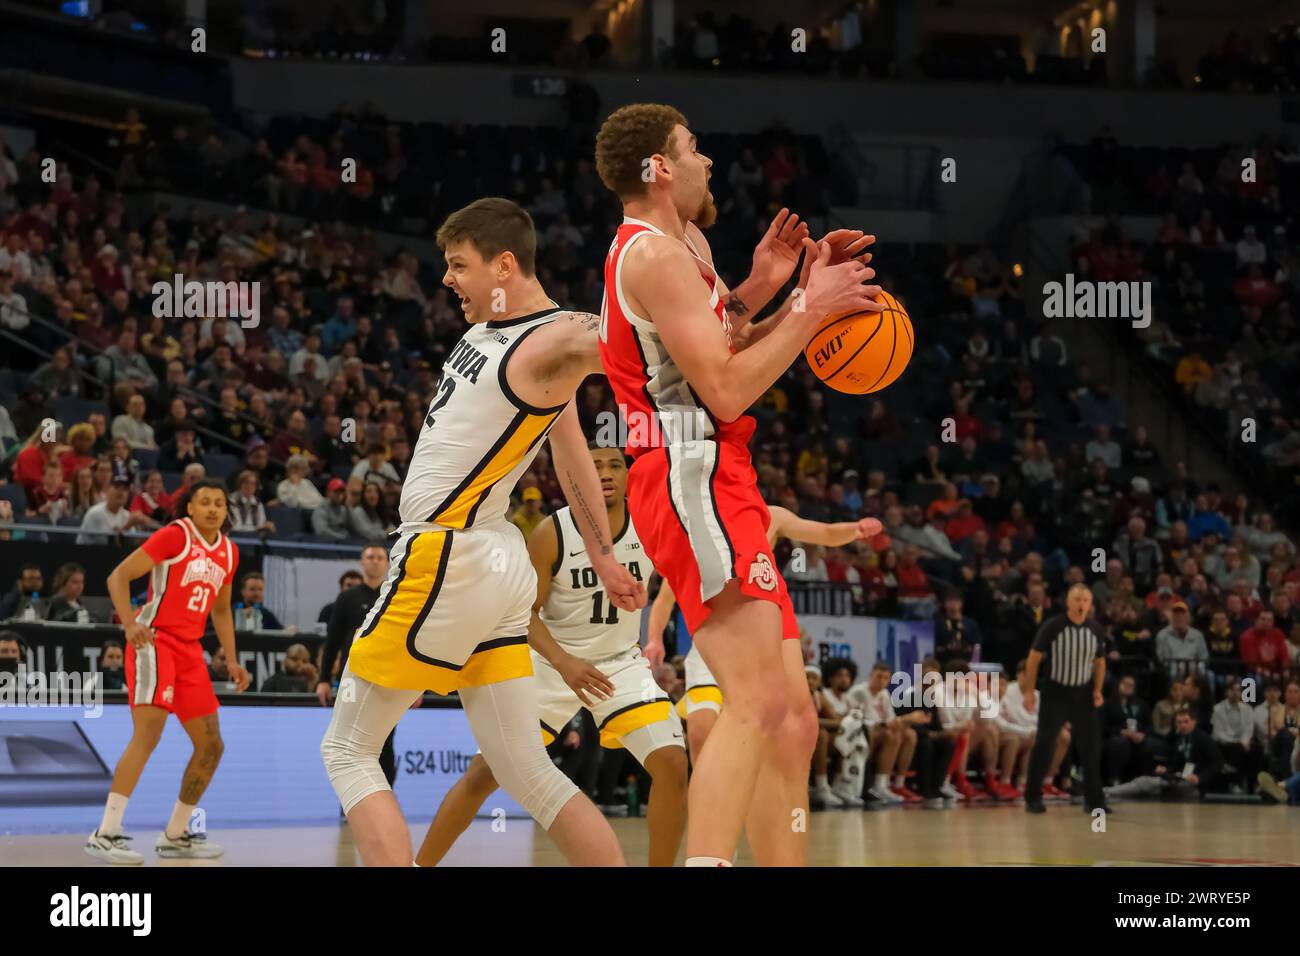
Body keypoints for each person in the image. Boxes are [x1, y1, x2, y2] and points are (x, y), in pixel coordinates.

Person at [319, 198, 644, 868]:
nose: (447, 279)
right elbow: (567, 449)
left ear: (504, 264)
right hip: (495, 560)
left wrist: (766, 303)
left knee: (347, 750)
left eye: (458, 265)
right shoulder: (494, 329)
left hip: (447, 552)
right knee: (525, 768)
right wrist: (605, 555)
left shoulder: (552, 339)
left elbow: (634, 333)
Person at [597, 101, 879, 866]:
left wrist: (769, 290)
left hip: (722, 476)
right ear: (658, 168)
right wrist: (811, 311)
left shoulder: (685, 242)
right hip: (691, 474)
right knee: (752, 703)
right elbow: (722, 390)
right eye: (691, 149)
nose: (708, 161)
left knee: (791, 718)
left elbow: (719, 343)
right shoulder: (650, 255)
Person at [417, 444, 687, 867]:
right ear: (576, 473)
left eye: (616, 464)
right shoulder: (552, 531)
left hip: (619, 665)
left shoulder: (651, 524)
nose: (606, 472)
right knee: (484, 774)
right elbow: (522, 614)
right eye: (594, 464)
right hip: (551, 664)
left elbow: (680, 579)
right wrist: (564, 662)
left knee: (672, 764)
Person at [86, 479, 249, 864]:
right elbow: (118, 576)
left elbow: (222, 610)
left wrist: (232, 658)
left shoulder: (229, 551)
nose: (212, 509)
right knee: (149, 734)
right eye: (204, 502)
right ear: (189, 508)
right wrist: (129, 624)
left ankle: (176, 834)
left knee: (212, 746)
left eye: (220, 504)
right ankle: (106, 832)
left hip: (191, 651)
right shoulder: (176, 535)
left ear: (227, 511)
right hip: (154, 641)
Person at [646, 505, 882, 769]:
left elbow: (825, 533)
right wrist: (654, 637)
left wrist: (855, 529)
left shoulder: (770, 515)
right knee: (701, 739)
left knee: (762, 742)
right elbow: (665, 598)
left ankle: (755, 805)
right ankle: (708, 808)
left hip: (756, 647)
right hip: (710, 647)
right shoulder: (697, 523)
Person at [1023, 583, 1108, 814]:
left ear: (1090, 604)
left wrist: (1098, 690)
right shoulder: (1053, 626)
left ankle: (1094, 800)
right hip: (1055, 692)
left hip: (1083, 693)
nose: (1081, 604)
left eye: (1085, 600)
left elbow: (1099, 662)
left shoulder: (1096, 630)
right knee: (1044, 744)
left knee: (1090, 747)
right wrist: (1030, 691)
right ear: (1068, 602)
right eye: (1077, 599)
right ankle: (1032, 796)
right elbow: (1033, 658)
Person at [316, 544, 398, 783]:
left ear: (388, 562)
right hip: (352, 679)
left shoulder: (395, 596)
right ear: (362, 562)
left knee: (385, 742)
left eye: (380, 557)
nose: (374, 561)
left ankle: (386, 802)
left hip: (388, 679)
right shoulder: (347, 598)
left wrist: (415, 686)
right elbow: (332, 641)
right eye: (370, 557)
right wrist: (323, 679)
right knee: (348, 743)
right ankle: (349, 808)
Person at [1103, 708, 1223, 802]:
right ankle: (1108, 791)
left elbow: (1217, 763)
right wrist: (1166, 770)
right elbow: (1177, 765)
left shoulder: (1204, 739)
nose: (1182, 725)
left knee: (1145, 783)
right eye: (1179, 722)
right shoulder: (1178, 739)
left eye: (1186, 722)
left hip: (1194, 785)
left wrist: (1200, 778)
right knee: (1145, 784)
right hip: (1178, 780)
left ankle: (1107, 791)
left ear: (1194, 721)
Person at [77, 476, 151, 545]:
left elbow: (131, 543)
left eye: (125, 489)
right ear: (108, 490)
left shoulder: (126, 515)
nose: (121, 492)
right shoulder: (95, 513)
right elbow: (108, 544)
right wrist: (128, 525)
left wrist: (143, 528)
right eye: (117, 487)